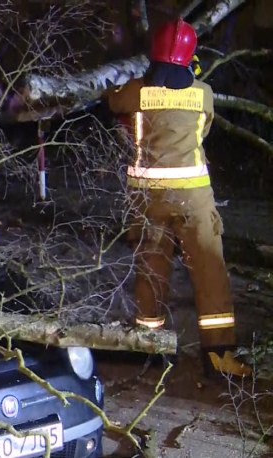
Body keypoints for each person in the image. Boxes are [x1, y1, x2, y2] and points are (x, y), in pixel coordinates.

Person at [106, 18, 250, 377]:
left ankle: (150, 347)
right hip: (194, 200)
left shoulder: (135, 92)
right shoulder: (203, 94)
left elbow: (112, 102)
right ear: (190, 59)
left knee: (151, 271)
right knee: (210, 271)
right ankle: (218, 355)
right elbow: (205, 128)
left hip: (148, 201)